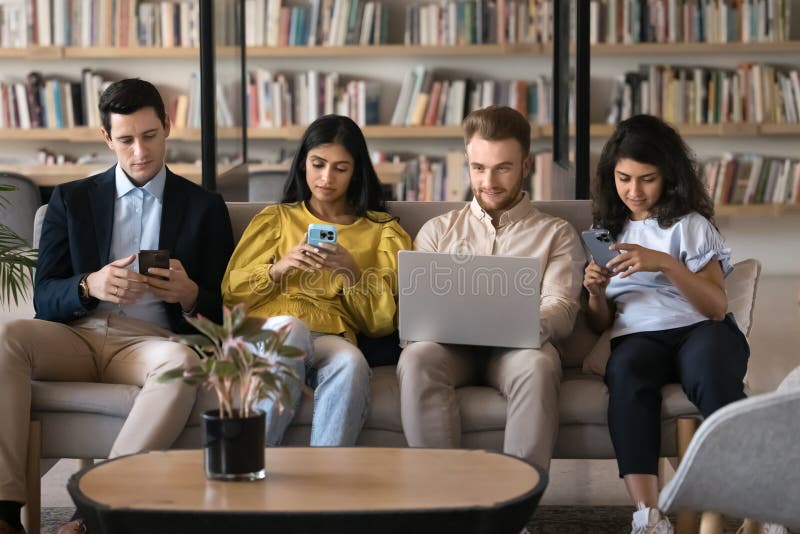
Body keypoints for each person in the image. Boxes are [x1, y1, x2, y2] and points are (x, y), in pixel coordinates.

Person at [0, 78, 234, 534]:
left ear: (167, 127)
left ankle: (91, 508)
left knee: (183, 364)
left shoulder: (205, 207)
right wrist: (90, 285)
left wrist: (188, 296)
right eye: (126, 140)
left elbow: (225, 311)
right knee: (8, 336)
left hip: (151, 343)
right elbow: (44, 295)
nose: (140, 152)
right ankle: (5, 510)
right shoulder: (70, 199)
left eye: (149, 136)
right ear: (107, 138)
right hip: (75, 336)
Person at [583, 114, 749, 534]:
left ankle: (758, 504)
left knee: (711, 371)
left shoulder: (689, 226)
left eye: (647, 179)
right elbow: (601, 321)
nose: (634, 192)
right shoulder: (605, 231)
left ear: (669, 178)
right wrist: (595, 293)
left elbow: (714, 306)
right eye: (623, 178)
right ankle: (648, 515)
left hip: (699, 329)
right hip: (637, 335)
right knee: (626, 376)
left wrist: (665, 264)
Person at [396, 106, 585, 470]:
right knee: (417, 358)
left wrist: (511, 327)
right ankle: (448, 507)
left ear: (525, 166)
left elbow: (561, 309)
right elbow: (414, 313)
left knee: (539, 365)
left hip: (520, 351)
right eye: (478, 168)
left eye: (503, 168)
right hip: (452, 351)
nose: (488, 181)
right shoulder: (437, 232)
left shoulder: (556, 233)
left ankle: (515, 512)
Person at [222, 114, 412, 447]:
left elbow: (383, 323)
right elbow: (230, 293)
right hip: (268, 331)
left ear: (356, 173)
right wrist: (277, 269)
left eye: (340, 168)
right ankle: (250, 462)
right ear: (302, 165)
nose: (326, 177)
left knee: (352, 363)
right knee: (291, 329)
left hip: (330, 335)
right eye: (318, 164)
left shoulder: (383, 231)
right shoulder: (276, 218)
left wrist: (352, 274)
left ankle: (326, 479)